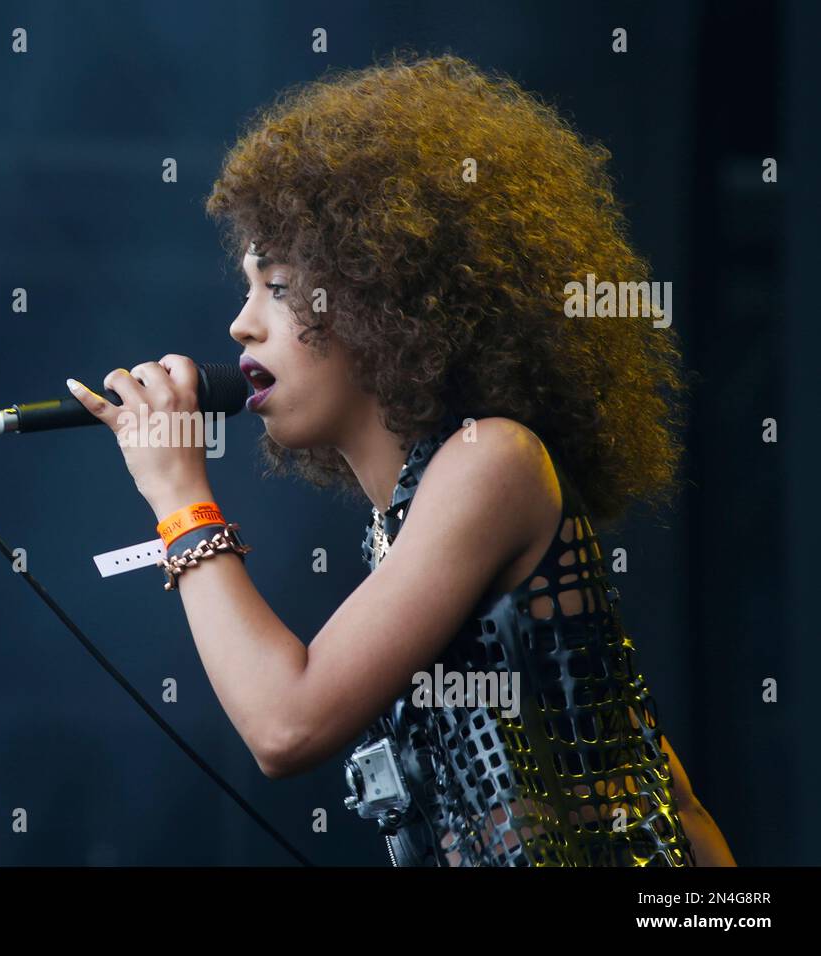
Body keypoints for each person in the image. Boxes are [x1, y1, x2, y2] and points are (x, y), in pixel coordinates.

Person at [65, 53, 735, 866]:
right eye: (246, 289)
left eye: (277, 287)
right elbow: (656, 771)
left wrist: (178, 493)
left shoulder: (493, 462)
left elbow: (286, 725)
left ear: (386, 293)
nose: (241, 325)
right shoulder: (403, 523)